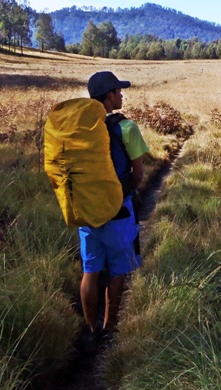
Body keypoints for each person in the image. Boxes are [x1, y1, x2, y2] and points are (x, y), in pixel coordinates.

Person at [79, 71, 149, 349]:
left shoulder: (81, 128)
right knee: (118, 271)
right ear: (109, 96)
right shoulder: (127, 128)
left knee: (91, 270)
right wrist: (123, 195)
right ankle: (109, 330)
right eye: (118, 91)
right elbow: (139, 173)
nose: (121, 95)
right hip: (118, 211)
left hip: (86, 211)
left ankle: (89, 329)